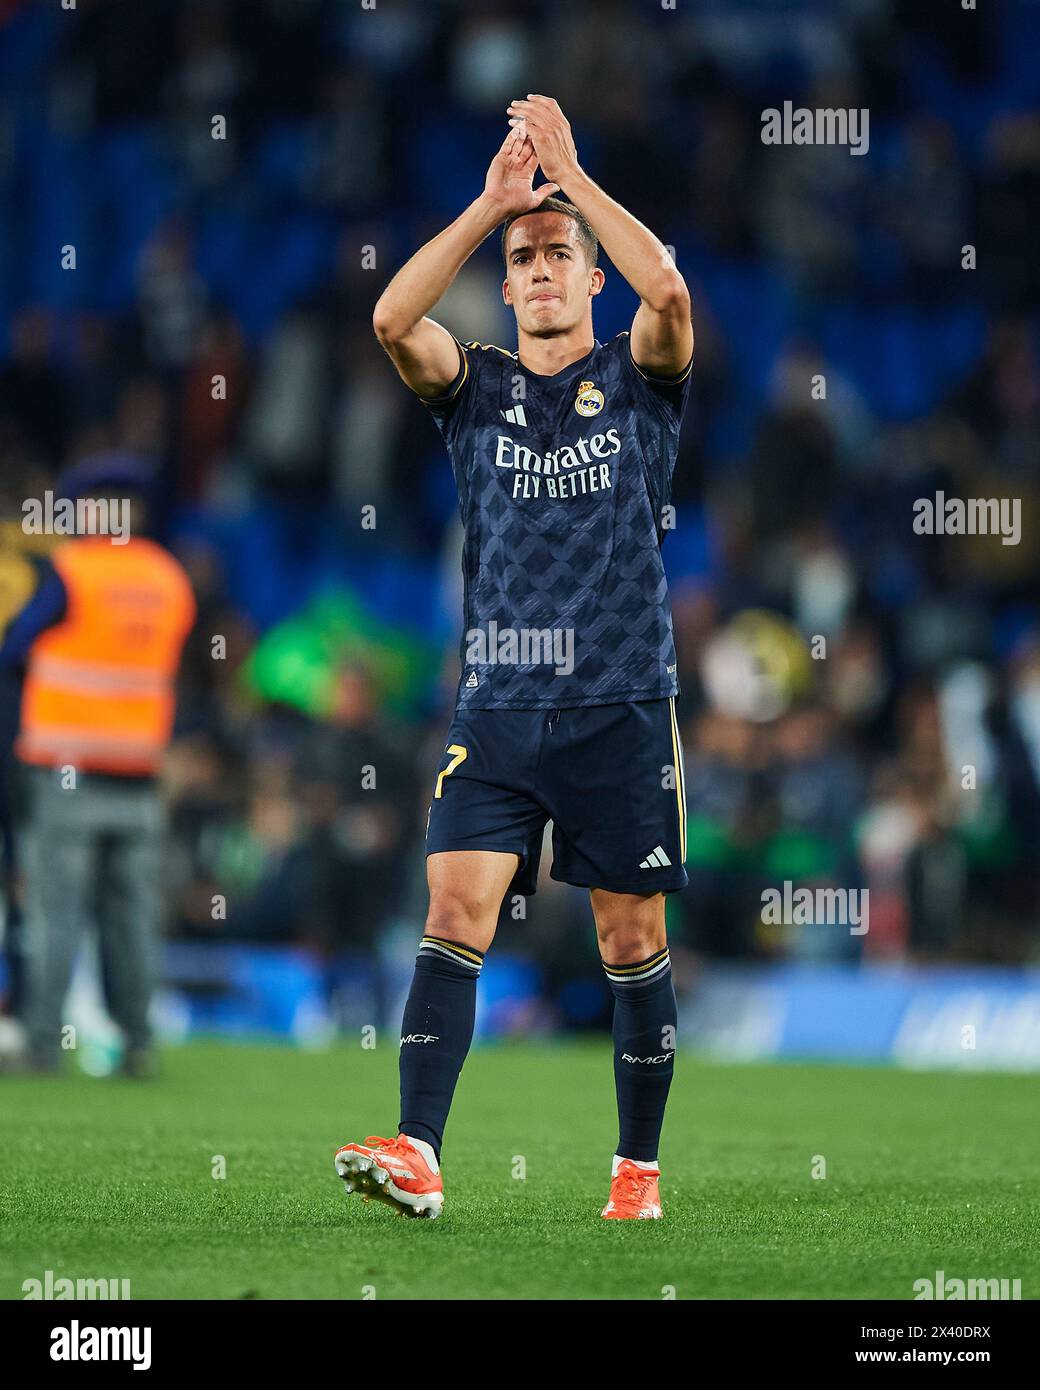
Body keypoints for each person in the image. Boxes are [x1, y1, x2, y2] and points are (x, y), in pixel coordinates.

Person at [335, 97, 694, 1221]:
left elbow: (673, 295)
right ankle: (419, 1150)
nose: (539, 269)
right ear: (504, 286)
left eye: (558, 258)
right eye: (524, 259)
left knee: (628, 937)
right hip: (495, 701)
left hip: (621, 701)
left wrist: (574, 180)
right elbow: (394, 318)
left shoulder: (639, 380)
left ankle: (634, 1168)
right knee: (452, 905)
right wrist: (492, 204)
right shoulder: (475, 388)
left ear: (592, 282)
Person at [8, 463, 196, 1075]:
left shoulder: (69, 573)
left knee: (56, 914)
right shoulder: (171, 578)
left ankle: (41, 1044)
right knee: (131, 919)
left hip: (68, 772)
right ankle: (138, 1043)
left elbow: (13, 650)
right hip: (140, 774)